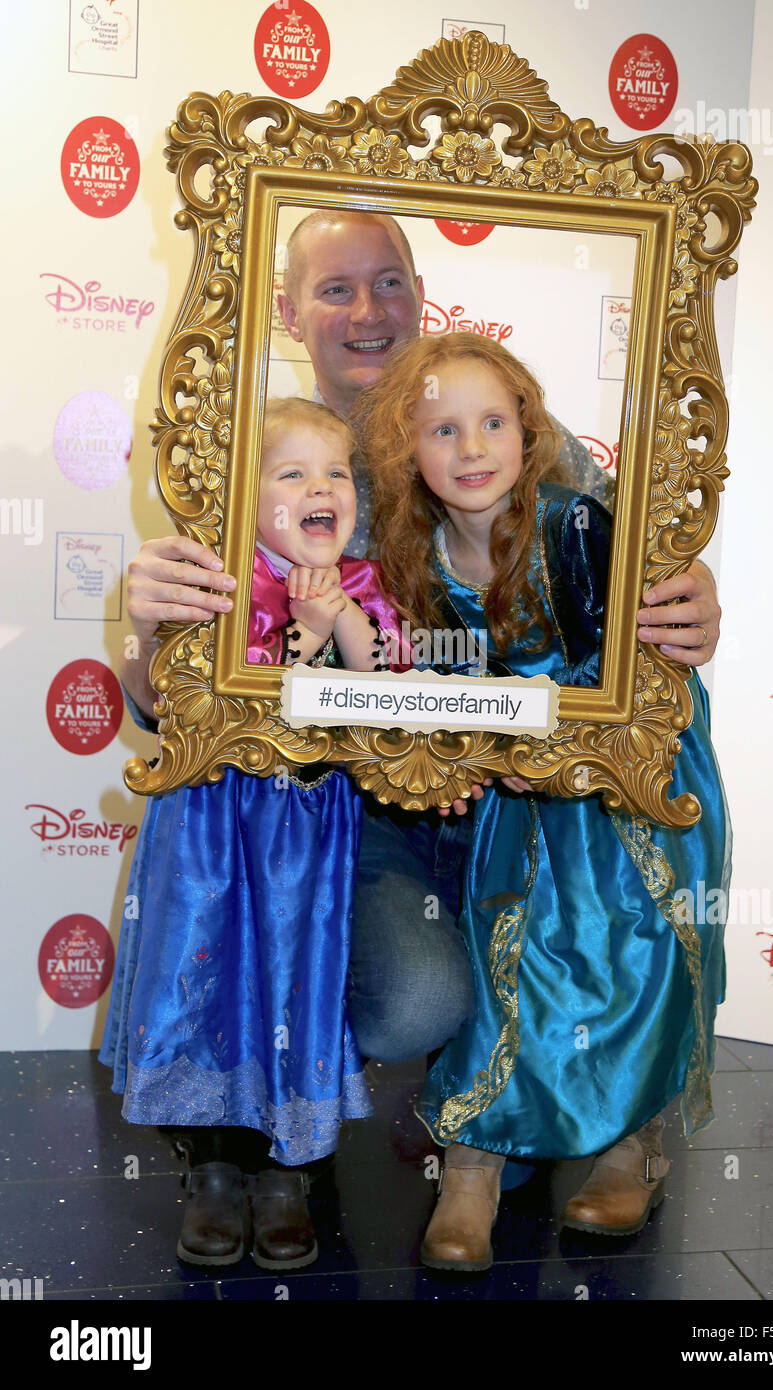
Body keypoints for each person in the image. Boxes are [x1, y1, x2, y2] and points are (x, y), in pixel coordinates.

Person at [118, 210, 724, 1246]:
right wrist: (148, 634)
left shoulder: (520, 437)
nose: (367, 310)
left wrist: (685, 585)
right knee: (410, 1003)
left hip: (526, 802)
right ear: (286, 310)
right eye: (335, 287)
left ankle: (607, 1126)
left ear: (420, 289)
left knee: (609, 903)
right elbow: (178, 697)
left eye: (387, 281)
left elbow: (633, 559)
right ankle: (256, 1127)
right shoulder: (259, 461)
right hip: (361, 820)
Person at [357, 333, 730, 1272]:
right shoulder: (416, 554)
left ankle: (625, 1143)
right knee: (510, 949)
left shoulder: (571, 522)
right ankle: (476, 1156)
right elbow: (437, 683)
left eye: (494, 423)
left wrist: (561, 740)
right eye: (443, 429)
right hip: (514, 790)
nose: (473, 448)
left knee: (625, 945)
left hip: (628, 779)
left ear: (531, 434)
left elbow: (629, 661)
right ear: (408, 453)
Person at [101, 397, 404, 1270]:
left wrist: (336, 616)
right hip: (209, 827)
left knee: (292, 980)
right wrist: (294, 632)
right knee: (207, 976)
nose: (322, 488)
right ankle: (213, 1167)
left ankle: (287, 1170)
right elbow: (199, 701)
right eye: (292, 472)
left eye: (337, 473)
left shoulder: (365, 586)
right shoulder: (223, 579)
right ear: (245, 498)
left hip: (307, 837)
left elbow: (380, 690)